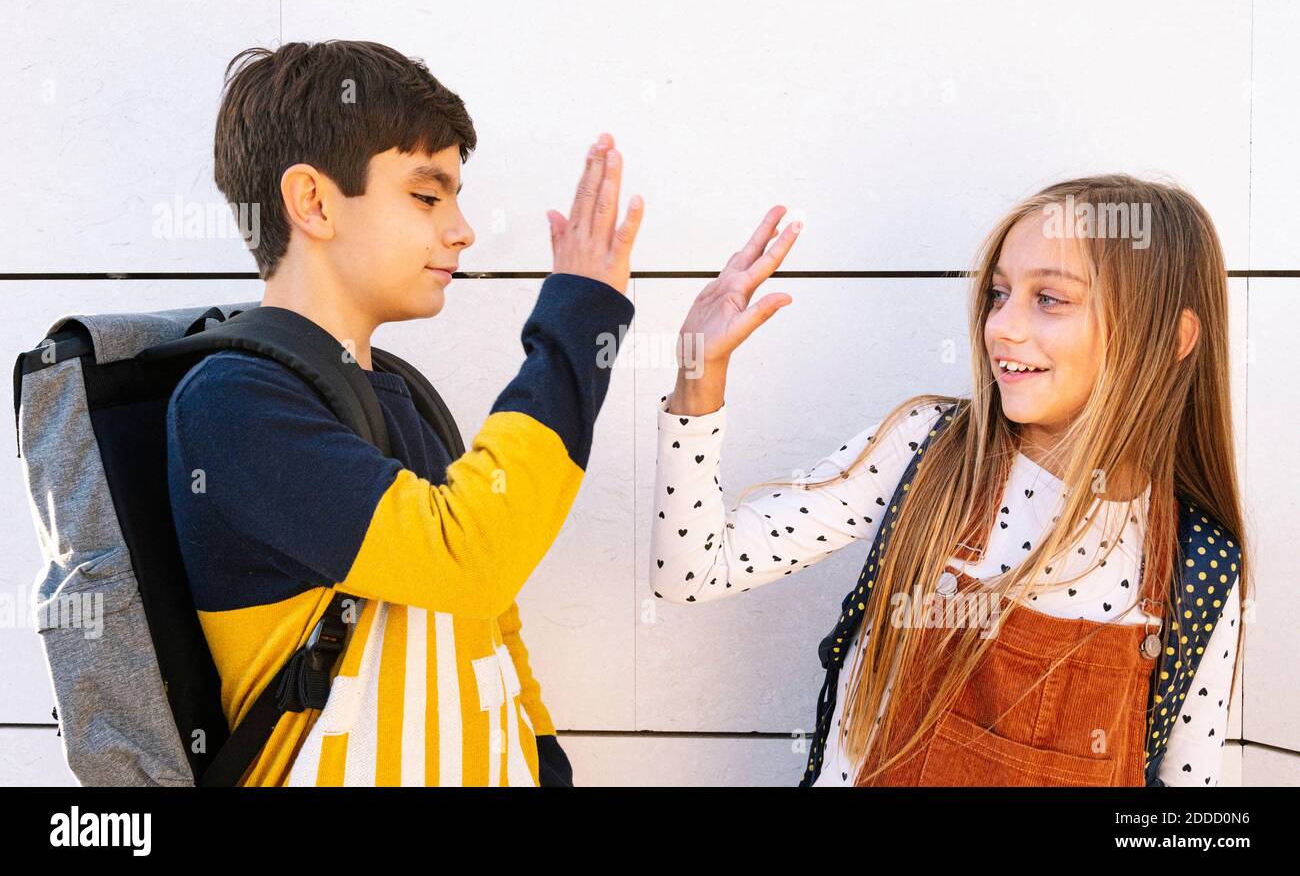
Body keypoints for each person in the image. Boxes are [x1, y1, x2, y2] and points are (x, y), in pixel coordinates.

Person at [650, 177, 1247, 786]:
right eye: (999, 293)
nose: (1001, 327)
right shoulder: (927, 454)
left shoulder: (1196, 565)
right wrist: (700, 373)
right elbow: (692, 572)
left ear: (1171, 338)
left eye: (1050, 299)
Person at [167, 40, 642, 785]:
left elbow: (489, 623)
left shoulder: (395, 389)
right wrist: (580, 324)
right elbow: (471, 557)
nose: (461, 229)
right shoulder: (232, 402)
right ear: (314, 202)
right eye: (427, 195)